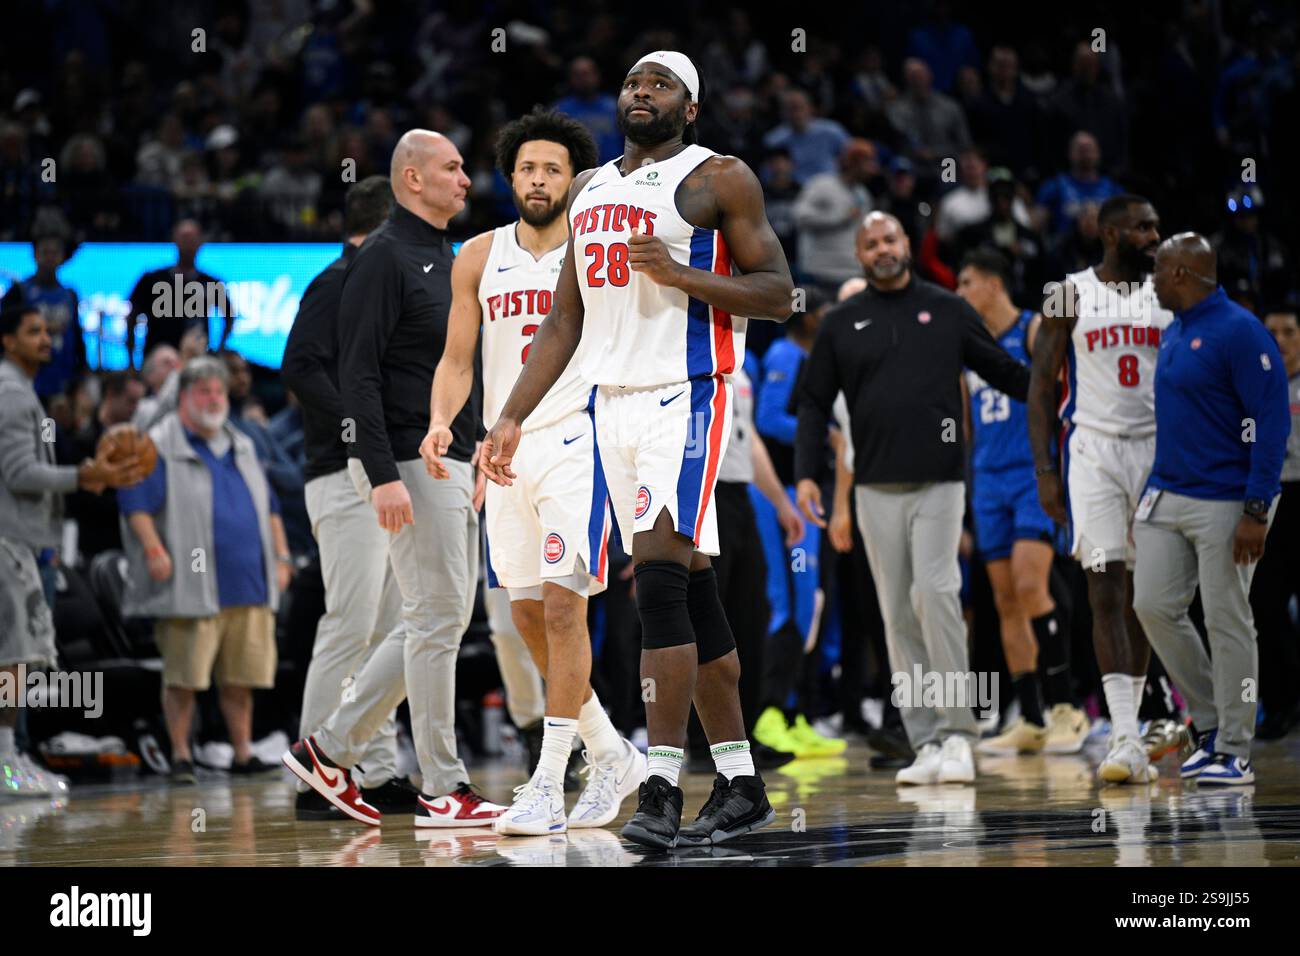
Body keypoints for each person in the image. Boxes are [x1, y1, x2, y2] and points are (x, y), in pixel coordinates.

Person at [482, 51, 794, 849]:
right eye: (632, 83)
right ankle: (740, 781)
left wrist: (685, 278)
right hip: (607, 405)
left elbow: (777, 295)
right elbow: (562, 321)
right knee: (691, 592)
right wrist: (511, 415)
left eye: (660, 85)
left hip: (687, 393)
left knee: (653, 586)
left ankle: (659, 784)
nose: (641, 92)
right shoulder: (591, 191)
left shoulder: (718, 177)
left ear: (690, 107)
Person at [421, 108, 645, 835]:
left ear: (574, 180)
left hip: (578, 440)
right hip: (502, 452)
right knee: (522, 617)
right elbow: (458, 360)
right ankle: (613, 753)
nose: (539, 179)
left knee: (561, 607)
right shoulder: (479, 255)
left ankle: (549, 780)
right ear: (510, 177)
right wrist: (442, 423)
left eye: (553, 168)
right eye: (527, 168)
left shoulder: (596, 252)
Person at [282, 129, 508, 828]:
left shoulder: (449, 256)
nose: (466, 179)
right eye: (452, 167)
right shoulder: (381, 258)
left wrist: (477, 453)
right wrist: (380, 473)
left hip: (448, 458)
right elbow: (356, 376)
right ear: (412, 179)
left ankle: (332, 748)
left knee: (431, 619)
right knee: (434, 620)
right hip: (406, 461)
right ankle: (440, 784)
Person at [794, 212, 1030, 788]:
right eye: (871, 243)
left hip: (939, 482)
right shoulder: (841, 323)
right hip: (874, 487)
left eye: (891, 239)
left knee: (938, 595)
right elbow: (813, 404)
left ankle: (960, 734)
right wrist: (805, 474)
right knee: (897, 615)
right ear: (859, 254)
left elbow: (1003, 371)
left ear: (907, 246)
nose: (882, 249)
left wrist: (1059, 385)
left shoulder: (948, 309)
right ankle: (925, 740)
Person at [1027, 194, 1183, 785]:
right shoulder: (1066, 291)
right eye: (1144, 227)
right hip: (1091, 449)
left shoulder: (1169, 289)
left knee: (1149, 597)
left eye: (1157, 226)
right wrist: (1044, 471)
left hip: (1159, 451)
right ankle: (1124, 735)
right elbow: (1041, 386)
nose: (1155, 235)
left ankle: (1147, 724)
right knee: (1104, 588)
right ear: (1111, 234)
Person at [280, 175, 419, 821]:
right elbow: (300, 365)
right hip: (341, 473)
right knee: (351, 623)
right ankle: (315, 772)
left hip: (381, 471)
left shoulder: (372, 284)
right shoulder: (335, 280)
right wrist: (360, 428)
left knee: (390, 628)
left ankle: (376, 766)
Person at [1133, 233, 1290, 785]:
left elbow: (1271, 423)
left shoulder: (1242, 332)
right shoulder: (1177, 330)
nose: (1150, 278)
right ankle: (1207, 723)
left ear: (1180, 273)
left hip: (1229, 499)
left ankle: (1235, 748)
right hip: (1169, 493)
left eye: (1157, 270)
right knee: (1152, 603)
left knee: (1227, 618)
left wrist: (1256, 507)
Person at [118, 355, 291, 784]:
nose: (214, 399)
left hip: (247, 581)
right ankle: (180, 755)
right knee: (184, 677)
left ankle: (242, 752)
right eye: (203, 391)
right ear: (184, 397)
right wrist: (154, 548)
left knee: (241, 677)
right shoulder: (159, 443)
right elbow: (134, 502)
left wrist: (282, 556)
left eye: (218, 391)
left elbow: (269, 506)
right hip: (192, 583)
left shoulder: (243, 443)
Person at [1, 305, 142, 795]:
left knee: (18, 658)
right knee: (11, 659)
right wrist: (86, 475)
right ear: (6, 339)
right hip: (9, 543)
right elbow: (19, 475)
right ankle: (6, 764)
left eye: (48, 330)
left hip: (25, 542)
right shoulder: (12, 395)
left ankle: (12, 759)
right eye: (32, 331)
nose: (46, 339)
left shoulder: (25, 393)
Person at [955, 249, 1089, 755]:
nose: (960, 292)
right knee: (1005, 598)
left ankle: (1066, 708)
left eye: (967, 281)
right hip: (987, 480)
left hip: (1033, 474)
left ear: (993, 284)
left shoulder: (1033, 330)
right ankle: (1030, 717)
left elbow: (1060, 391)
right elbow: (965, 426)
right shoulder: (967, 345)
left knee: (1033, 585)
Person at [751, 288, 846, 757]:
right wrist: (825, 435)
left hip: (806, 495)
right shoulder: (786, 353)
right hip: (781, 494)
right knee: (787, 603)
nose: (831, 320)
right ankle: (770, 714)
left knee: (811, 606)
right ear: (807, 317)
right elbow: (767, 418)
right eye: (826, 312)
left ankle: (796, 714)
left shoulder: (816, 358)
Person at [1250, 309, 1300, 738]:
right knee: (1264, 605)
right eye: (1272, 333)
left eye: (1289, 331)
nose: (1280, 340)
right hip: (1265, 501)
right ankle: (1279, 702)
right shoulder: (1250, 385)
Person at [125, 220, 236, 365]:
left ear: (201, 242)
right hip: (158, 359)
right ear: (174, 240)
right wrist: (131, 360)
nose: (188, 243)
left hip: (196, 360)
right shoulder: (152, 279)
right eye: (184, 237)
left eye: (193, 238)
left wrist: (219, 349)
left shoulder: (211, 282)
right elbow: (132, 317)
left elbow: (229, 316)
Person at [0, 233, 85, 402]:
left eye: (55, 252)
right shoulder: (20, 291)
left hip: (63, 382)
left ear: (62, 257)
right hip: (28, 381)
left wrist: (81, 376)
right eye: (45, 252)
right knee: (32, 426)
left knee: (51, 427)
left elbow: (77, 338)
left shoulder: (69, 294)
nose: (50, 257)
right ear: (35, 255)